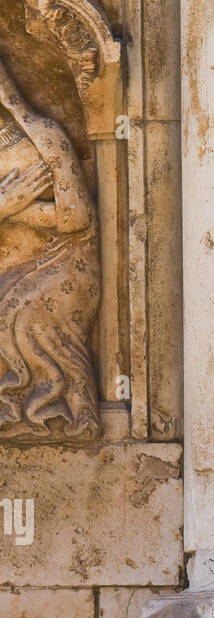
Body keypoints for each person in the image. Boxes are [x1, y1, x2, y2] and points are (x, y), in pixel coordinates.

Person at [0, 59, 99, 438]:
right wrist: (6, 204)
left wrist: (15, 209)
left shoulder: (44, 134)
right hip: (19, 264)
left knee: (22, 315)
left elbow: (76, 218)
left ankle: (50, 408)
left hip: (66, 259)